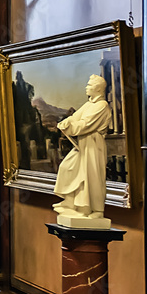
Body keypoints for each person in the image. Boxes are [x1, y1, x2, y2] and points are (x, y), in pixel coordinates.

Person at [53, 75, 112, 219]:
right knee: (67, 167)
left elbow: (85, 125)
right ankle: (71, 202)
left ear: (98, 89)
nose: (86, 87)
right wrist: (66, 122)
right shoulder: (89, 104)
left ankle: (95, 210)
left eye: (89, 85)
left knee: (91, 176)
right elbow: (75, 117)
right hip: (83, 143)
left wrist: (70, 127)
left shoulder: (101, 105)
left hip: (93, 145)